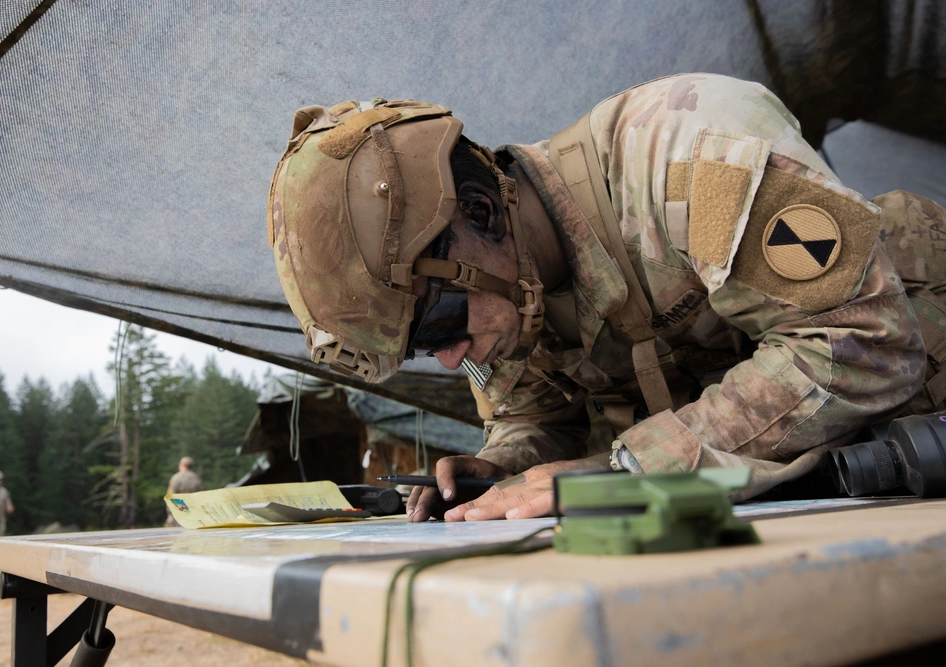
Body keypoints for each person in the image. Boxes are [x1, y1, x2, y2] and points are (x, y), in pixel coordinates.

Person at [268, 74, 946, 523]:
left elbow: (862, 337)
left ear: (479, 209)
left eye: (437, 320)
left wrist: (624, 469)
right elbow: (534, 411)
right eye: (420, 346)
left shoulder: (688, 159)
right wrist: (505, 463)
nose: (448, 360)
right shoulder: (495, 306)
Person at [164, 456, 204, 527]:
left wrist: (170, 514)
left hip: (179, 514)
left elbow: (170, 497)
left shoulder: (176, 478)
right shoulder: (197, 479)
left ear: (182, 465)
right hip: (194, 514)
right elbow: (202, 496)